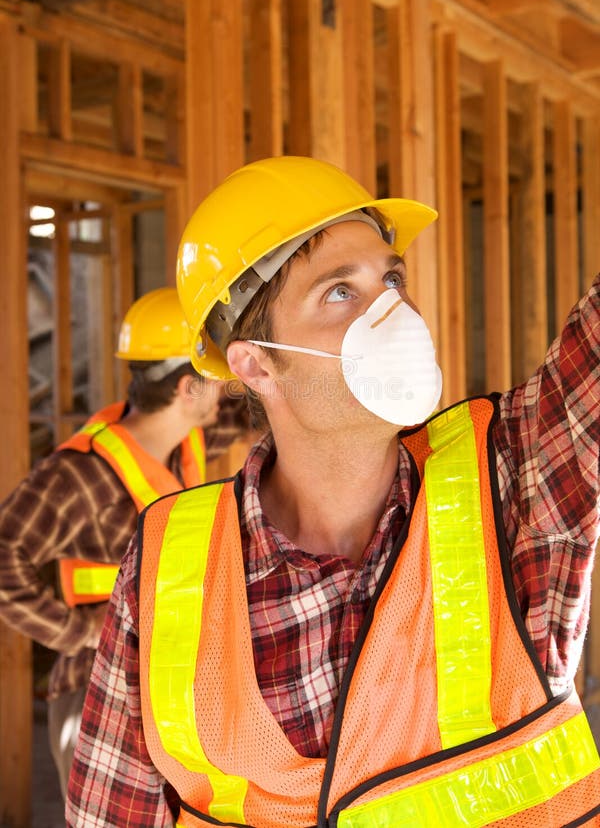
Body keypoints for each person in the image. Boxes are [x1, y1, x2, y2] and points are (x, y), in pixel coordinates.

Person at [67, 157, 600, 826]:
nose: (393, 312)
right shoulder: (166, 569)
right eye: (340, 292)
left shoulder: (512, 482)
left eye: (392, 279)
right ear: (256, 362)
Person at [0, 286, 245, 798]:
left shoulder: (189, 440)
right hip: (99, 686)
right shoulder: (80, 477)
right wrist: (77, 632)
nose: (223, 392)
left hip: (172, 681)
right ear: (186, 390)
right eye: (214, 380)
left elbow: (258, 412)